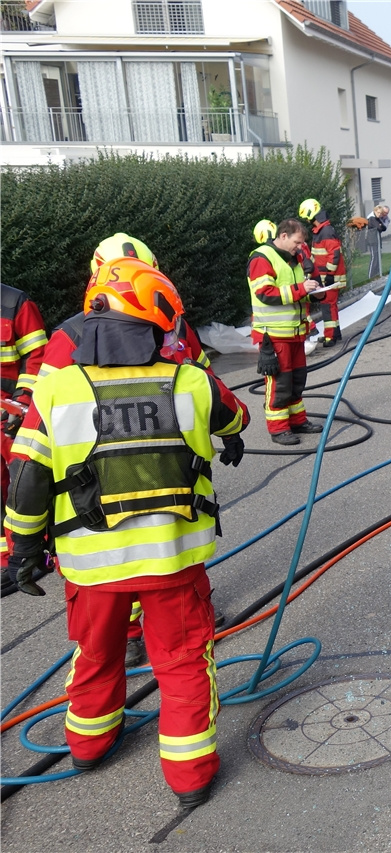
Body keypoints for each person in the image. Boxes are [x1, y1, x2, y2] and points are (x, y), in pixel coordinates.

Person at [4, 259, 249, 811]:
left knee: (95, 653)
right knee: (183, 661)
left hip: (91, 567)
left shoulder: (56, 389)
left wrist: (22, 550)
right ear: (154, 324)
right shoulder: (191, 381)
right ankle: (189, 776)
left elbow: (26, 477)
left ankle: (88, 746)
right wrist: (227, 434)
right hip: (172, 561)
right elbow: (235, 418)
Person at [39, 233, 219, 667]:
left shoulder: (170, 321)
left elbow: (205, 375)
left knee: (101, 654)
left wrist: (24, 541)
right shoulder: (70, 336)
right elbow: (46, 416)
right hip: (112, 483)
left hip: (148, 472)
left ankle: (147, 627)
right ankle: (134, 631)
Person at [247, 218, 323, 445]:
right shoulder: (261, 258)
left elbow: (297, 293)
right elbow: (265, 293)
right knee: (280, 383)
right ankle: (279, 428)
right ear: (283, 236)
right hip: (274, 335)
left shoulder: (293, 259)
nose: (300, 248)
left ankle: (297, 421)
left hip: (295, 333)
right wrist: (301, 289)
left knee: (297, 380)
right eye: (297, 242)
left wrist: (315, 292)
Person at [2, 282, 48, 576]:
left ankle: (30, 555)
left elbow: (38, 356)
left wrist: (22, 400)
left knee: (22, 485)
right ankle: (6, 560)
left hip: (11, 415)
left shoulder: (13, 302)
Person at [298, 199, 345, 346]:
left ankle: (330, 337)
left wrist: (330, 274)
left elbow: (334, 254)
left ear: (312, 215)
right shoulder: (320, 231)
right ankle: (335, 332)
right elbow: (317, 256)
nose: (307, 221)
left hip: (330, 277)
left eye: (307, 218)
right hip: (326, 276)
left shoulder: (326, 231)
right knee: (330, 305)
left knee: (327, 306)